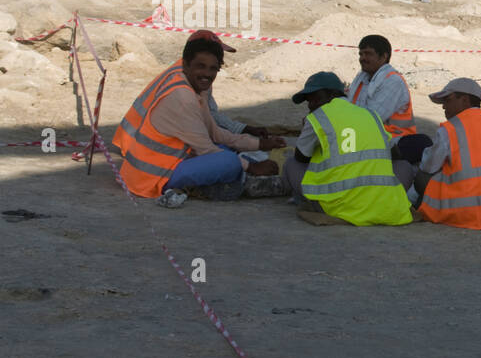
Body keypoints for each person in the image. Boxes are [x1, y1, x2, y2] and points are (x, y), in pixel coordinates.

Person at [112, 34, 285, 201]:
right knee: (230, 162)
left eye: (212, 69)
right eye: (200, 66)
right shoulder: (183, 97)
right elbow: (206, 148)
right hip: (151, 178)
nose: (207, 74)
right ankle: (236, 184)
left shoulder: (191, 86)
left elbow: (215, 133)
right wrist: (253, 168)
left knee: (226, 150)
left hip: (155, 167)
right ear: (185, 65)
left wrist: (261, 143)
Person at [279, 71, 413, 226]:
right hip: (379, 202)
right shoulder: (371, 115)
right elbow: (396, 155)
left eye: (315, 98)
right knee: (404, 167)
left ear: (331, 94)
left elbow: (301, 158)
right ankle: (386, 202)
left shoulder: (318, 117)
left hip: (337, 204)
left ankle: (306, 200)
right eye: (309, 101)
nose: (311, 104)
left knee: (291, 164)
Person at [412, 78, 481, 230]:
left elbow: (429, 166)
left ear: (465, 100)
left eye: (448, 100)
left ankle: (419, 207)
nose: (444, 106)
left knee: (422, 176)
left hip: (466, 212)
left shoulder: (451, 128)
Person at [187, 30, 277, 177]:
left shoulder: (201, 83)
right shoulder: (182, 92)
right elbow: (204, 146)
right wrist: (250, 167)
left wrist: (246, 130)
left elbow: (213, 119)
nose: (220, 59)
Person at [346, 34, 416, 138]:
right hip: (371, 137)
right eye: (361, 54)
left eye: (368, 54)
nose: (362, 58)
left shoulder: (393, 81)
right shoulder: (362, 77)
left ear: (384, 56)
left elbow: (371, 118)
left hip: (394, 142)